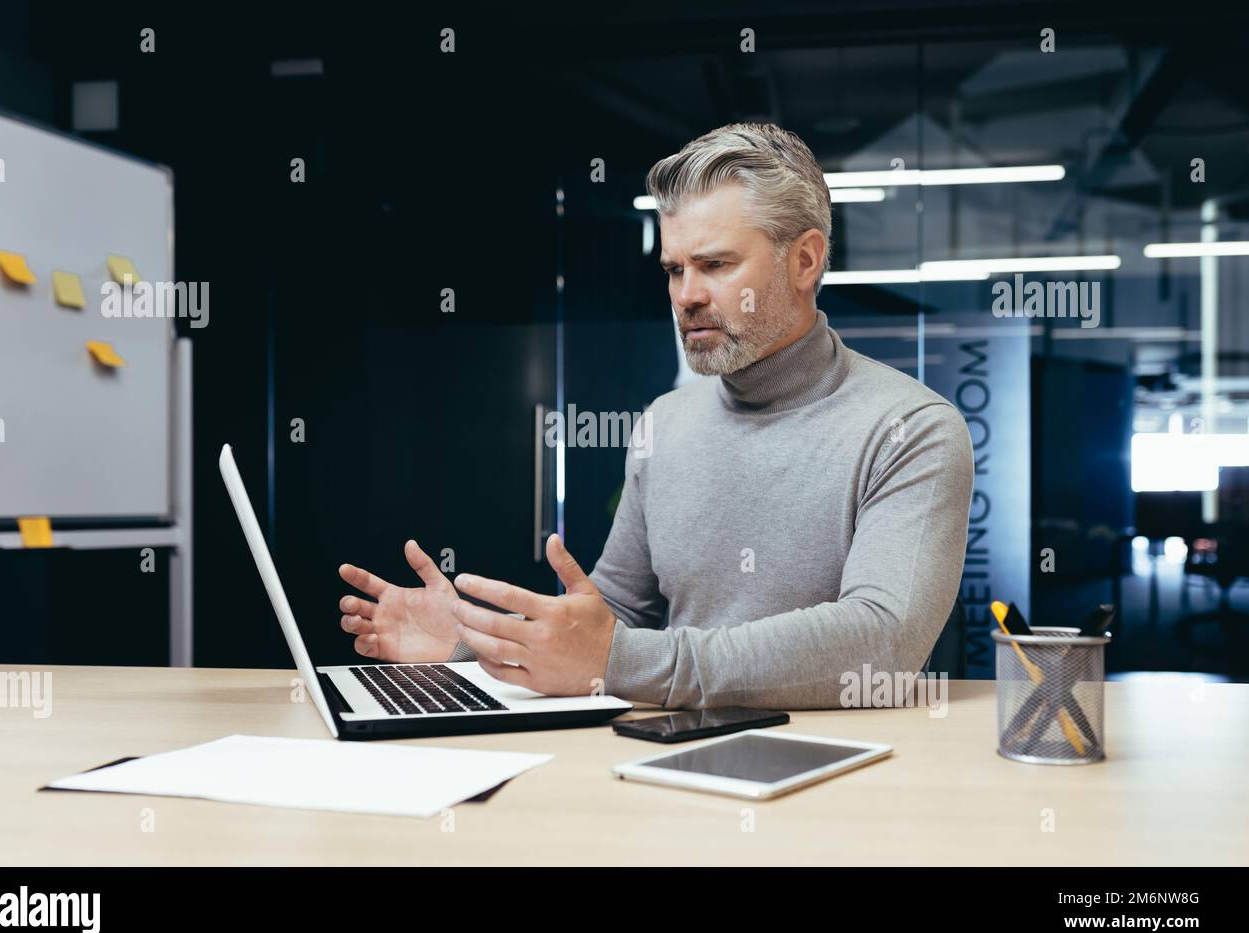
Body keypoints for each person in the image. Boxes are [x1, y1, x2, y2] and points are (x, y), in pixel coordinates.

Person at [338, 122, 974, 709]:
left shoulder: (912, 429)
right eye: (674, 269)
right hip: (676, 764)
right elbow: (611, 620)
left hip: (845, 786)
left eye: (717, 265)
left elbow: (882, 644)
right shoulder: (665, 423)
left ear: (805, 260)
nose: (687, 295)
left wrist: (623, 661)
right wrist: (475, 644)